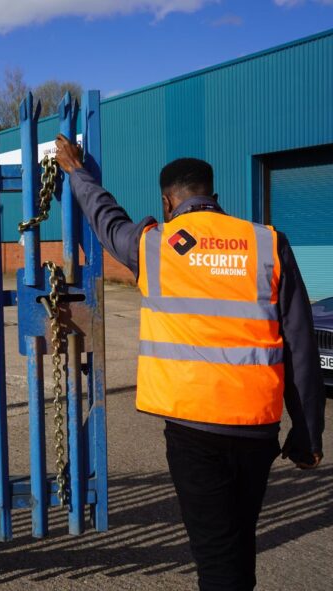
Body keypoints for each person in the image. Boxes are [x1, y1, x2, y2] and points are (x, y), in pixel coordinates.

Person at [54, 134, 325, 591]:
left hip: (194, 431)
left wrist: (76, 172)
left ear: (167, 201)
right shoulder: (267, 242)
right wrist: (307, 432)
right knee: (236, 543)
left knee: (217, 555)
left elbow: (106, 218)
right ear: (213, 196)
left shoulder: (155, 246)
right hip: (257, 428)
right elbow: (300, 343)